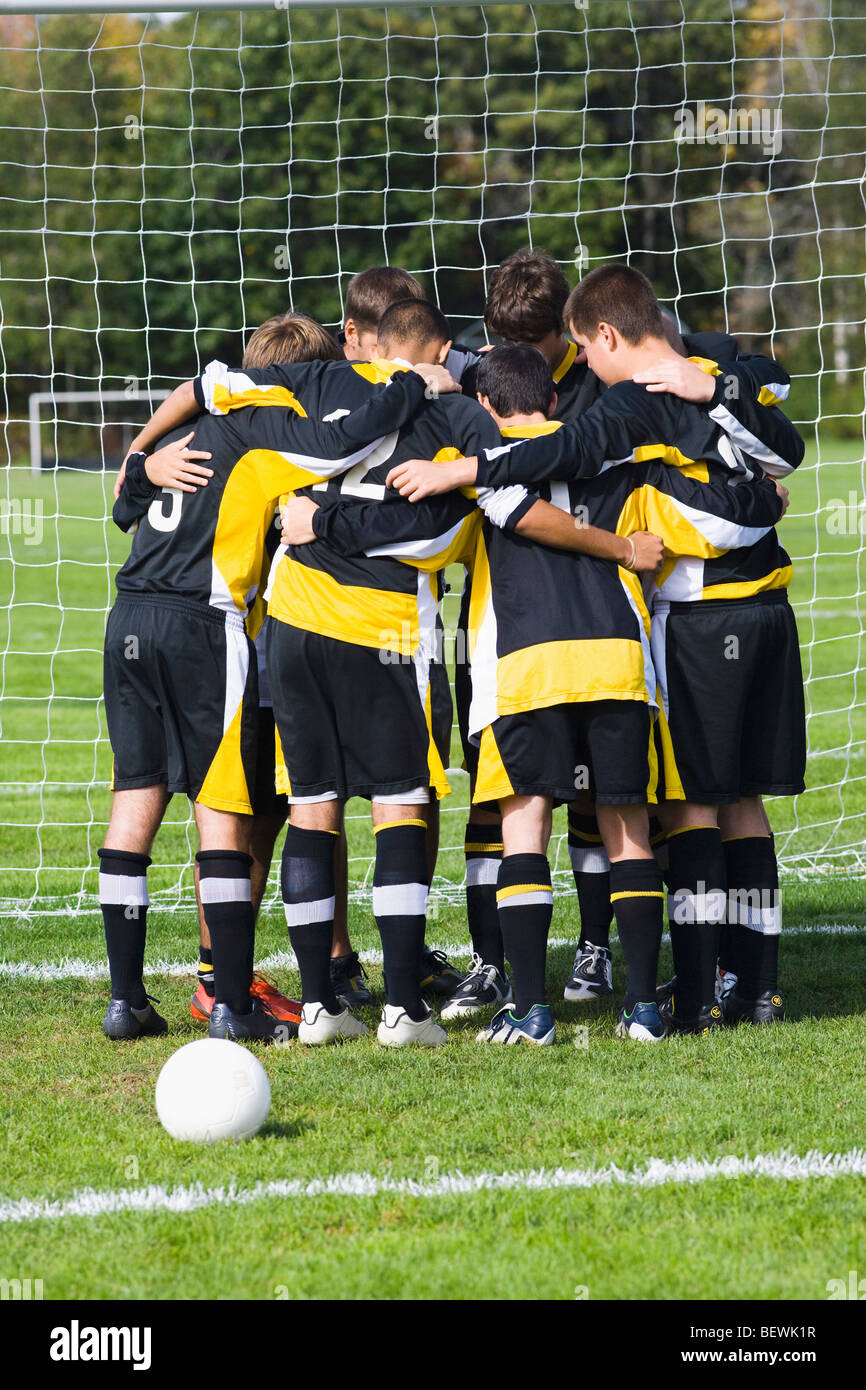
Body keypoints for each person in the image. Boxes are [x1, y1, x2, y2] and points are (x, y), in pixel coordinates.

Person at [387, 266, 803, 1034]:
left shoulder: (629, 417)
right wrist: (759, 492)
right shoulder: (719, 379)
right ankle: (747, 985)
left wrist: (464, 466)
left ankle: (693, 987)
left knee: (681, 805)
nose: (589, 371)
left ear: (606, 337)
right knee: (728, 806)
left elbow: (575, 466)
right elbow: (783, 458)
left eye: (587, 350)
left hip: (679, 629)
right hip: (748, 618)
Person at [103, 317, 430, 1042]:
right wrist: (407, 382)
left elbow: (124, 500)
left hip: (128, 618)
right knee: (227, 809)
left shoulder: (196, 420)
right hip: (205, 628)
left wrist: (142, 458)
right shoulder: (268, 436)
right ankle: (227, 998)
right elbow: (344, 443)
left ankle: (127, 999)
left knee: (135, 799)